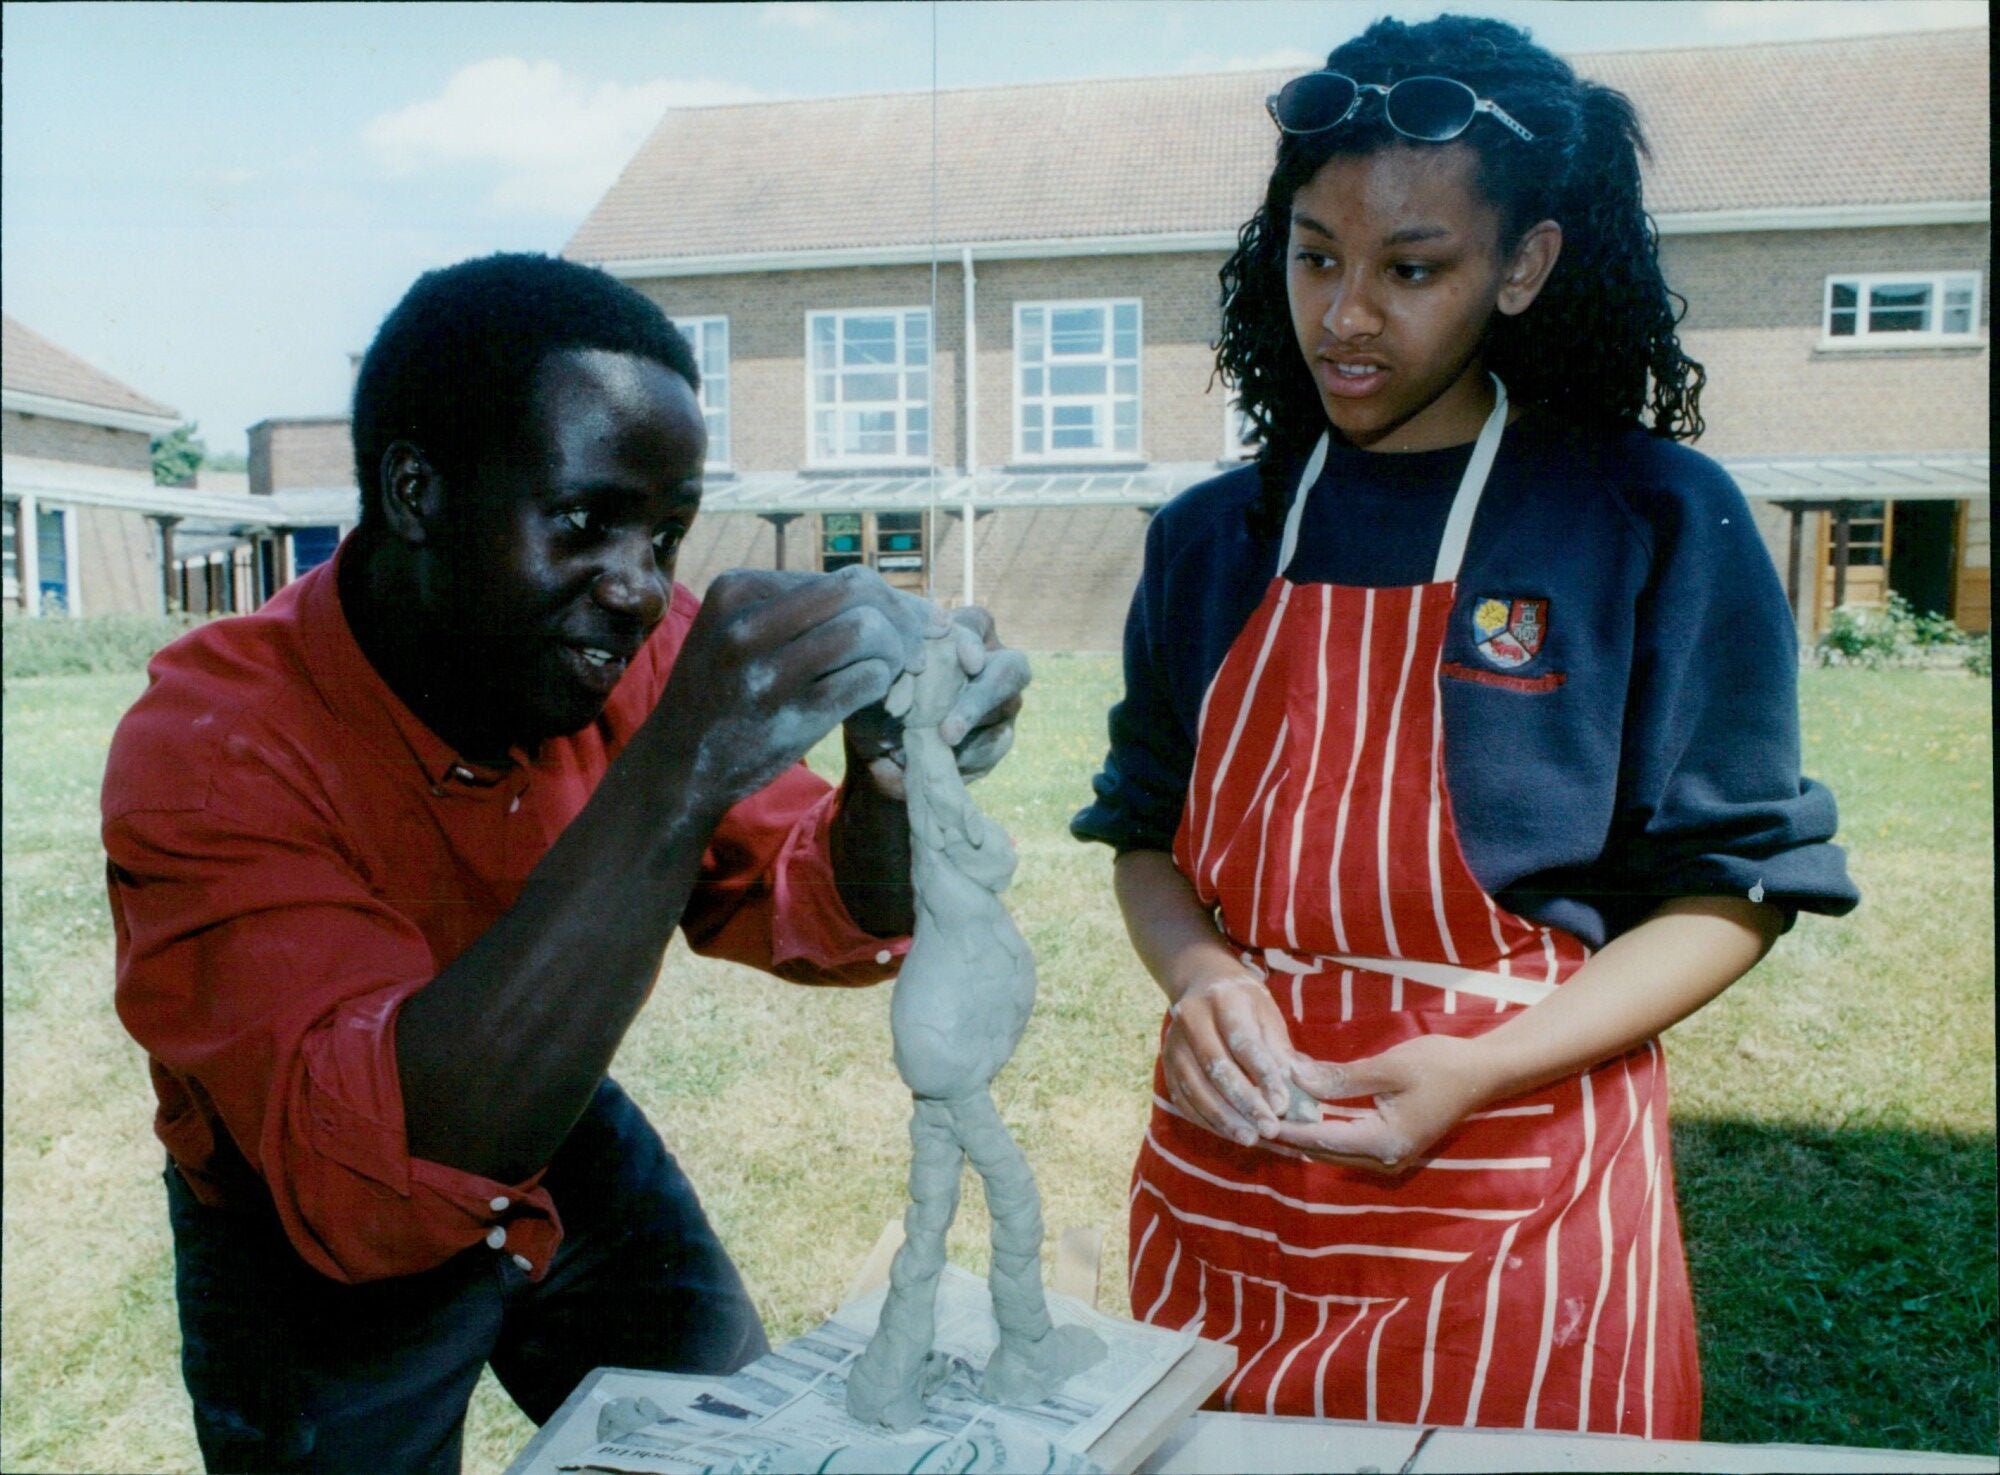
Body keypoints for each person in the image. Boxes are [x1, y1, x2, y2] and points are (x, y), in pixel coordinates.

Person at [104, 253, 1028, 1474]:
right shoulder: (210, 744)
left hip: (552, 1118)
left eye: (667, 533)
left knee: (732, 1445)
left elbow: (805, 898)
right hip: (304, 1207)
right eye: (587, 521)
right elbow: (370, 1163)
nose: (642, 589)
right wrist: (680, 765)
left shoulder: (623, 647)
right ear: (418, 492)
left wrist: (887, 785)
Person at [1072, 15, 1857, 1438]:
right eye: (1316, 255)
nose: (1347, 314)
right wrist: (1198, 976)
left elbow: (1732, 890)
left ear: (1526, 265)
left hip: (1519, 1196)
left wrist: (1482, 1066)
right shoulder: (1212, 539)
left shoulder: (1652, 520)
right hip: (1231, 1186)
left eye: (1412, 268)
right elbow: (1144, 833)